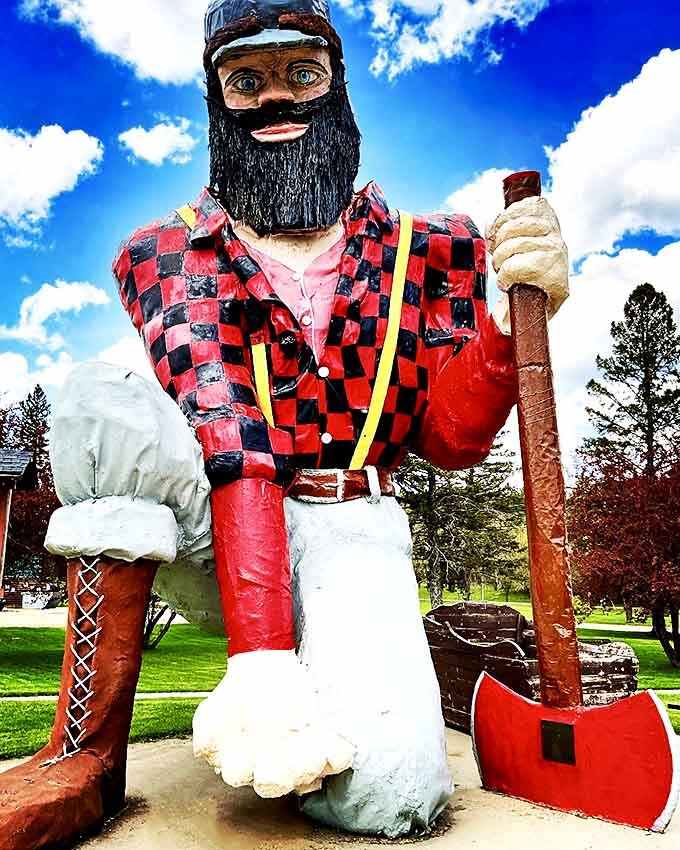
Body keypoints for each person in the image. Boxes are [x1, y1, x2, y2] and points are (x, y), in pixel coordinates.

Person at [0, 1, 569, 846]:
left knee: (389, 799)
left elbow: (449, 443)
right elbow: (229, 433)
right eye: (245, 80)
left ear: (337, 88)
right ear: (215, 99)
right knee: (99, 404)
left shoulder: (434, 249)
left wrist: (508, 321)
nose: (275, 100)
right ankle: (82, 749)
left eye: (301, 73)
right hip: (215, 526)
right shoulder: (166, 250)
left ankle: (326, 718)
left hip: (353, 523)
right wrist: (259, 660)